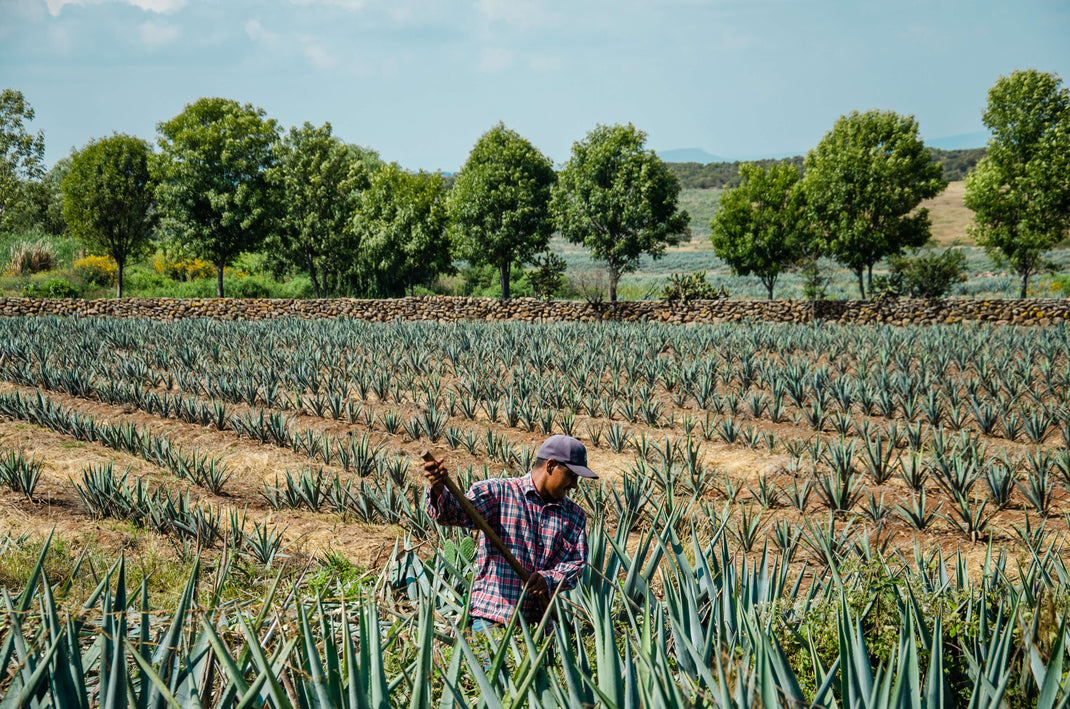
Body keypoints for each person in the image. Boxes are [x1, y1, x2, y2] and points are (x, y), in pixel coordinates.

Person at [423, 434, 596, 629]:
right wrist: (438, 489)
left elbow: (577, 564)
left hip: (540, 629)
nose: (575, 485)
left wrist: (547, 579)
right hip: (493, 620)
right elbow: (453, 514)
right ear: (550, 465)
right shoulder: (499, 493)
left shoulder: (574, 516)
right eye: (572, 476)